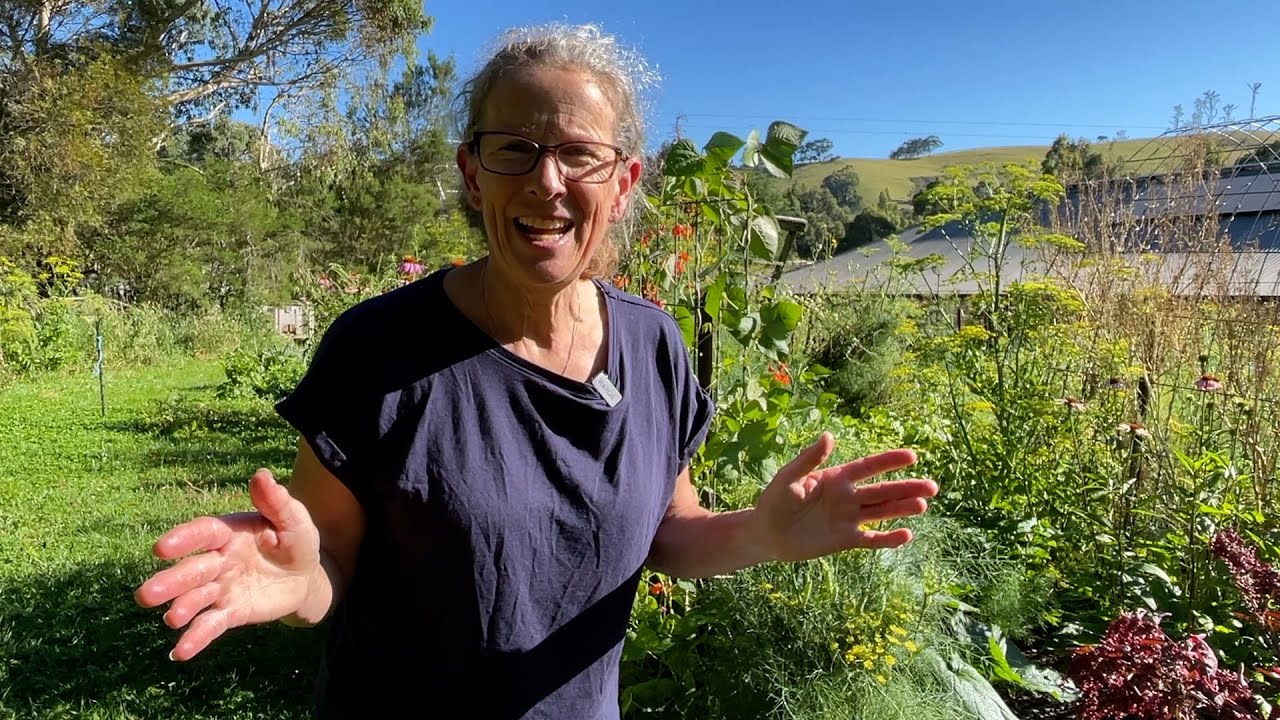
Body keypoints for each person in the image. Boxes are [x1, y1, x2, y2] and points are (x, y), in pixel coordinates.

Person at [134, 23, 939, 719]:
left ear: (622, 184)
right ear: (472, 170)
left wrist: (759, 535)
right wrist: (302, 580)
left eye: (579, 155)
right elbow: (327, 567)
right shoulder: (375, 352)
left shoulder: (654, 347)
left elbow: (667, 531)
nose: (546, 181)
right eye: (514, 148)